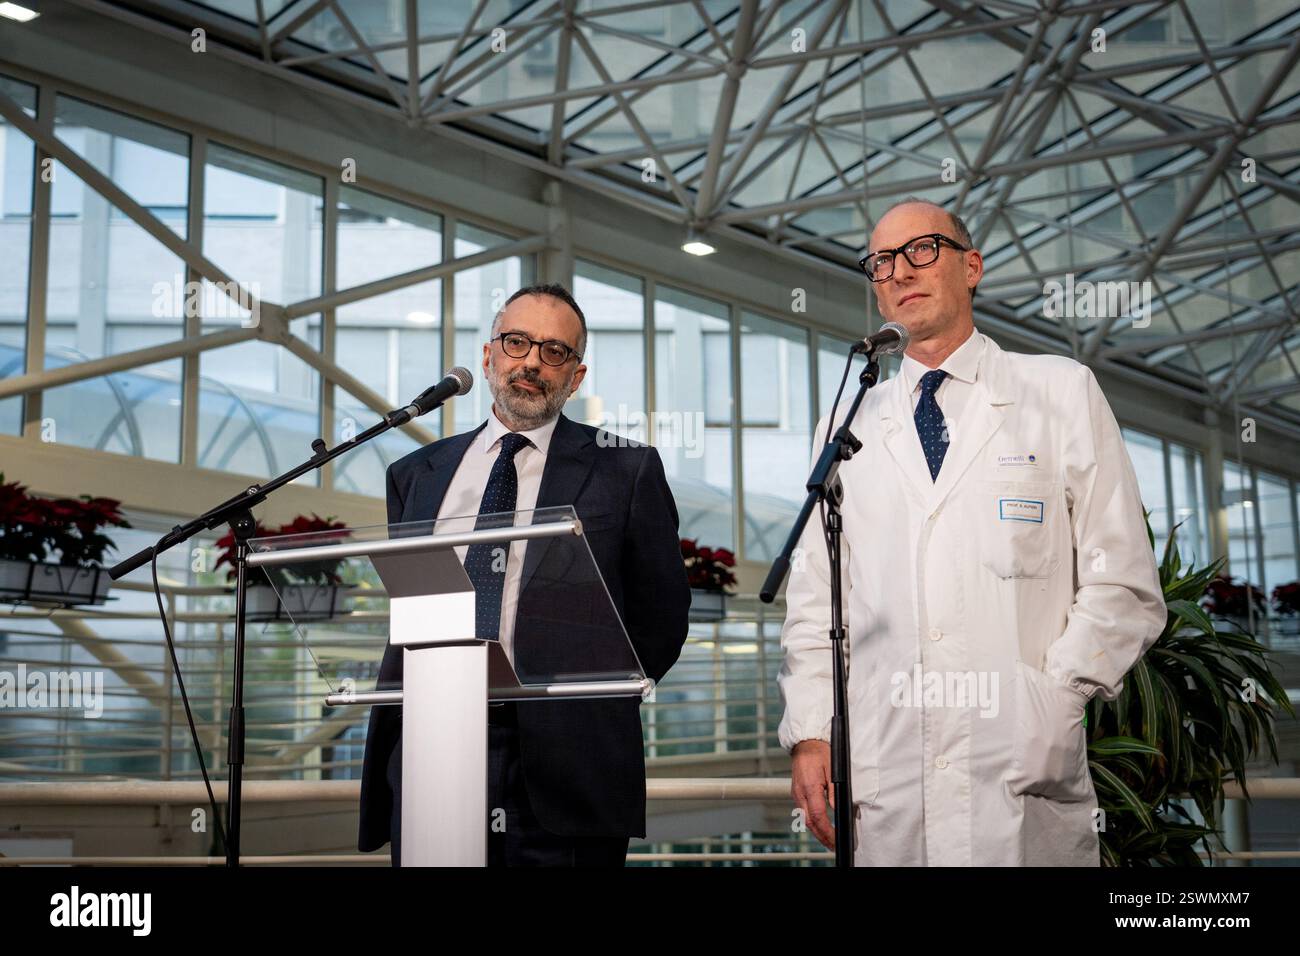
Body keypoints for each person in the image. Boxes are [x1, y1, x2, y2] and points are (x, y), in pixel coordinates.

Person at [780, 198, 1165, 866]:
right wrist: (811, 732)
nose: (900, 271)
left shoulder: (1060, 392)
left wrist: (1056, 697)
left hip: (1018, 764)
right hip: (886, 766)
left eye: (922, 249)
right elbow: (817, 597)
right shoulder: (850, 420)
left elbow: (1123, 581)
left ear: (973, 267)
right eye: (882, 261)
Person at [359, 283, 690, 866]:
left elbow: (661, 616)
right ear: (489, 357)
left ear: (576, 377)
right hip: (431, 745)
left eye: (554, 351)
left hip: (567, 758)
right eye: (517, 343)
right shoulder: (416, 474)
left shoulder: (627, 469)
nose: (532, 361)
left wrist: (587, 700)